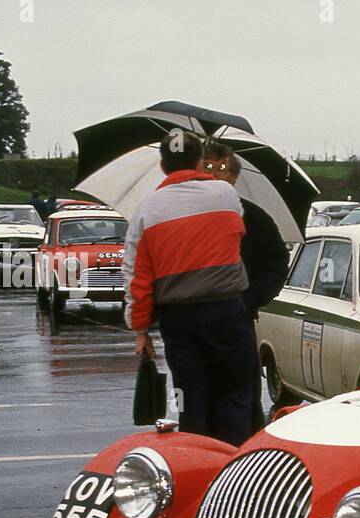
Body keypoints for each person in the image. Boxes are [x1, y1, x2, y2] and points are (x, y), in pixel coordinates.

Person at [124, 130, 253, 446]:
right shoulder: (224, 194)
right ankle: (237, 466)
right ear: (199, 160)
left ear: (162, 165)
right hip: (227, 310)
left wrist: (140, 329)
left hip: (179, 319)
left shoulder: (146, 210)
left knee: (189, 396)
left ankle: (198, 460)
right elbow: (238, 228)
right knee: (235, 394)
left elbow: (137, 277)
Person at [200, 141, 291, 433]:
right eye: (207, 168)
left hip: (236, 319)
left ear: (235, 177)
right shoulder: (182, 216)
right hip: (190, 321)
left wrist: (251, 298)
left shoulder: (254, 217)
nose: (214, 175)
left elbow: (277, 262)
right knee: (193, 398)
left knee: (241, 399)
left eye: (222, 169)